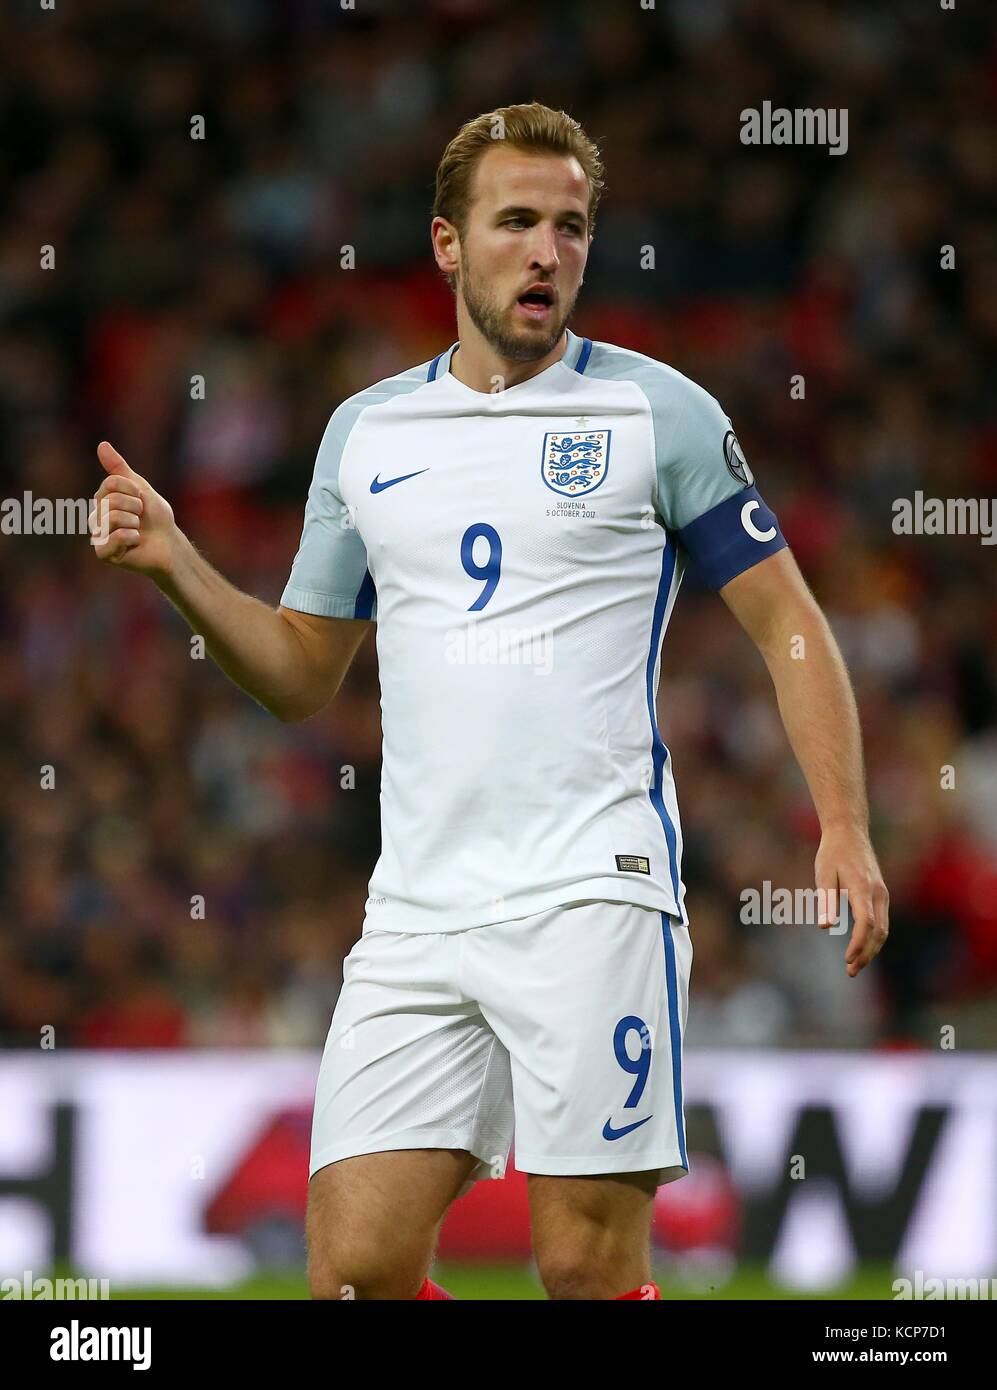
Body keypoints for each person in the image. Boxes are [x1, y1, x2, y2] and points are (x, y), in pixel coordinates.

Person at [90, 102, 889, 1301]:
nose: (547, 251)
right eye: (516, 221)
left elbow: (787, 622)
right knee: (353, 1270)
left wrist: (843, 823)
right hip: (418, 908)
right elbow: (305, 673)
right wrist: (181, 567)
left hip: (592, 893)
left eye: (571, 226)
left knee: (579, 1262)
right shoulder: (366, 434)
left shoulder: (657, 414)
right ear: (447, 245)